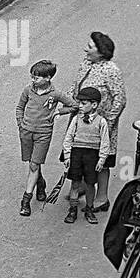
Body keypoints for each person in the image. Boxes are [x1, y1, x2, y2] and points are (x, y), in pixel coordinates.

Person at [15, 60, 77, 217]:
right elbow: (19, 107)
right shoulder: (28, 90)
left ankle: (26, 200)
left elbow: (74, 105)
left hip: (43, 134)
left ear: (48, 78)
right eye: (32, 76)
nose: (33, 79)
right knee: (33, 163)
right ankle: (40, 184)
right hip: (26, 132)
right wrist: (21, 124)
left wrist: (59, 112)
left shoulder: (56, 94)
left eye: (37, 77)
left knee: (34, 165)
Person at [73, 32, 127, 213]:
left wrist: (108, 124)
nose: (85, 49)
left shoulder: (111, 70)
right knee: (80, 155)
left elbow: (120, 99)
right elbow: (75, 86)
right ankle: (81, 186)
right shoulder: (85, 64)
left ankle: (102, 198)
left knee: (101, 162)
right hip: (82, 122)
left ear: (101, 52)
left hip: (102, 126)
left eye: (90, 47)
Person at [60, 86, 109, 225]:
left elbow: (105, 142)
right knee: (75, 183)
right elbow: (68, 138)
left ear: (94, 105)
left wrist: (102, 159)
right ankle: (73, 209)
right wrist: (68, 156)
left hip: (92, 156)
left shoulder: (101, 122)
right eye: (79, 103)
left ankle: (89, 209)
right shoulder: (76, 120)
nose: (80, 106)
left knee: (90, 184)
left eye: (83, 103)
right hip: (77, 154)